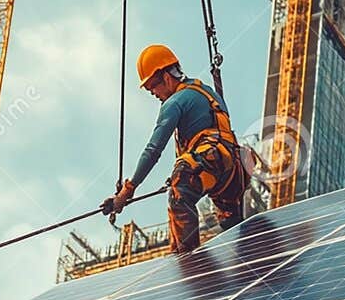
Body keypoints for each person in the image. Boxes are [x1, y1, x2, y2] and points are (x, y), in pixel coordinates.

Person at [102, 44, 248, 252]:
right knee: (234, 228)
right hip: (233, 172)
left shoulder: (175, 102)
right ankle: (244, 249)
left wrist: (128, 190)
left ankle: (187, 261)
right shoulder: (204, 91)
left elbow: (153, 149)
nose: (153, 93)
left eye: (153, 86)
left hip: (213, 159)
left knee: (181, 189)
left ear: (166, 77)